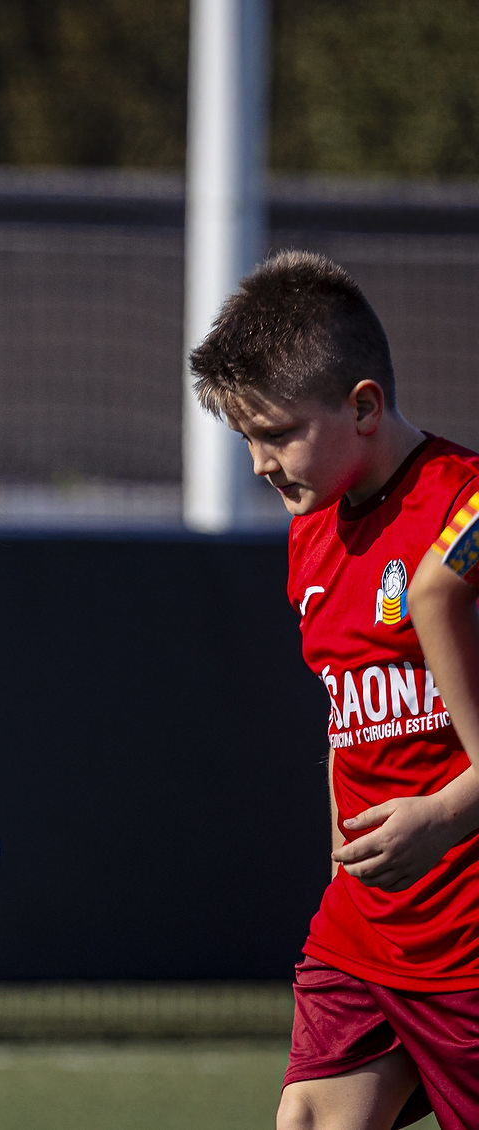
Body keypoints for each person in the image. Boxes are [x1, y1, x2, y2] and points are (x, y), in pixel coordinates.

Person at [189, 250, 479, 1130]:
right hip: (363, 936)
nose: (258, 465)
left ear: (362, 407)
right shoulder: (309, 536)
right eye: (245, 438)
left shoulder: (463, 507)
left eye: (276, 434)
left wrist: (448, 813)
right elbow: (344, 727)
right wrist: (336, 886)